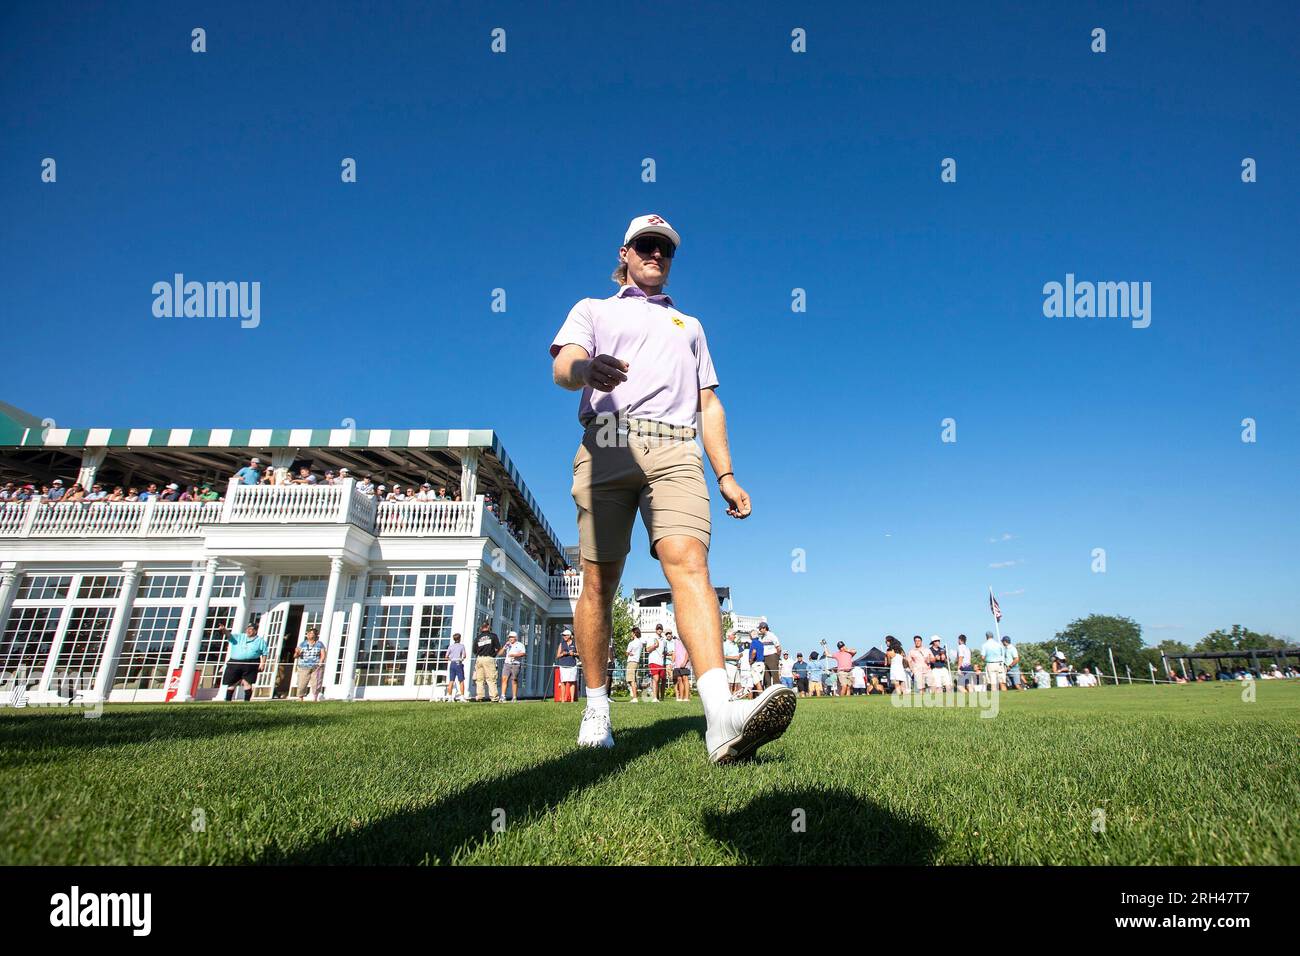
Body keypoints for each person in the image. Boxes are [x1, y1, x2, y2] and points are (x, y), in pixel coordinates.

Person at [550, 213, 794, 762]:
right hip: (607, 443)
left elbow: (709, 403)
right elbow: (562, 366)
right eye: (646, 245)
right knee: (599, 579)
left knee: (689, 564)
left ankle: (720, 718)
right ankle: (596, 706)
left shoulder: (692, 326)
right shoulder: (593, 309)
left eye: (665, 248)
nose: (656, 253)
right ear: (626, 252)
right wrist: (586, 370)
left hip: (677, 448)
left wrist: (726, 474)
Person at [222, 623, 266, 702]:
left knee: (248, 683)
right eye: (248, 629)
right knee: (232, 683)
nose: (249, 631)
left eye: (251, 629)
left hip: (251, 663)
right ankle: (227, 701)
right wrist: (224, 630)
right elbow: (229, 635)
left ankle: (246, 702)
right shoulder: (239, 637)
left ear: (255, 631)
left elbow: (264, 653)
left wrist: (262, 664)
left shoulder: (260, 641)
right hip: (235, 663)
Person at [293, 627, 326, 701]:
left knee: (316, 682)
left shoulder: (320, 644)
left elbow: (323, 654)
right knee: (302, 683)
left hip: (316, 667)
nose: (310, 635)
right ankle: (300, 698)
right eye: (309, 633)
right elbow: (295, 656)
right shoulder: (303, 644)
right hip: (303, 666)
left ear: (315, 635)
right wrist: (297, 653)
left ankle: (315, 698)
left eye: (312, 633)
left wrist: (320, 662)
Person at [472, 621, 501, 702]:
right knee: (491, 678)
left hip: (479, 659)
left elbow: (474, 650)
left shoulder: (477, 638)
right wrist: (494, 654)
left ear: (481, 627)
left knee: (479, 679)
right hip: (489, 658)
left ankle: (480, 696)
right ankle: (494, 697)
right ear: (488, 627)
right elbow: (498, 648)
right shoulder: (493, 636)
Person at [501, 631, 526, 702]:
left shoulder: (520, 645)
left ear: (515, 638)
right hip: (507, 664)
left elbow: (523, 653)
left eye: (512, 637)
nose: (510, 638)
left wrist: (514, 655)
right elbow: (500, 653)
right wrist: (504, 647)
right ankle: (503, 696)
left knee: (514, 680)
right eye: (509, 637)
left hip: (515, 664)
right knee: (504, 679)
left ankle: (514, 697)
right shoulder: (507, 645)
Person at [556, 627, 579, 703]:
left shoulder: (575, 644)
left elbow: (580, 654)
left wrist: (574, 654)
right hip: (563, 665)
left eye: (565, 635)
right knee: (563, 682)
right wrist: (563, 654)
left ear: (569, 636)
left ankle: (572, 700)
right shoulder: (561, 644)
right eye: (563, 635)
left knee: (572, 682)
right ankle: (563, 700)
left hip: (572, 665)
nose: (564, 637)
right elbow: (557, 656)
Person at [645, 624, 667, 702]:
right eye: (658, 628)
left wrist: (665, 654)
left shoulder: (664, 640)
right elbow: (647, 650)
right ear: (656, 629)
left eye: (660, 628)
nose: (659, 630)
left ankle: (661, 697)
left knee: (663, 680)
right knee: (656, 678)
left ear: (662, 630)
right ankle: (654, 698)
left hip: (661, 662)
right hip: (653, 660)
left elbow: (664, 652)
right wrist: (655, 646)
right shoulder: (651, 638)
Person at [757, 621, 780, 689]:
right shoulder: (762, 637)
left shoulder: (771, 635)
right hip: (765, 658)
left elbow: (778, 647)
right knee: (767, 677)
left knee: (775, 675)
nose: (759, 630)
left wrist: (777, 658)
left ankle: (777, 692)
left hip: (772, 656)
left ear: (764, 628)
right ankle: (768, 692)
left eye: (760, 628)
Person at [625, 626, 645, 702]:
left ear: (634, 633)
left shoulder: (632, 643)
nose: (631, 634)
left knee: (631, 680)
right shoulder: (640, 643)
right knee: (634, 680)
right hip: (637, 662)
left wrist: (628, 653)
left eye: (632, 633)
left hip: (631, 662)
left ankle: (634, 697)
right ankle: (634, 696)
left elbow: (627, 653)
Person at [446, 632, 467, 701]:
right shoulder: (461, 646)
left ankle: (449, 696)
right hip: (458, 663)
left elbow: (446, 656)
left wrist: (451, 659)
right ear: (459, 639)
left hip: (452, 663)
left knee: (451, 680)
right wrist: (461, 659)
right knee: (461, 680)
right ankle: (462, 696)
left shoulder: (450, 646)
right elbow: (464, 655)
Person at [722, 631, 743, 697]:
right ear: (729, 636)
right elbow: (723, 656)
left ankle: (734, 698)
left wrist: (739, 656)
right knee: (730, 683)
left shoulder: (735, 644)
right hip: (729, 665)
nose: (735, 636)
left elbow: (738, 655)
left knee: (736, 683)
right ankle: (728, 697)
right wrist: (734, 658)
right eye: (733, 635)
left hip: (735, 666)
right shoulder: (725, 644)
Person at [672, 632, 691, 702]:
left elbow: (688, 651)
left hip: (684, 663)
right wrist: (672, 662)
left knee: (685, 678)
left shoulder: (686, 639)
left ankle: (686, 697)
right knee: (679, 679)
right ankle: (681, 697)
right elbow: (675, 652)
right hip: (677, 664)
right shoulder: (676, 641)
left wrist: (685, 661)